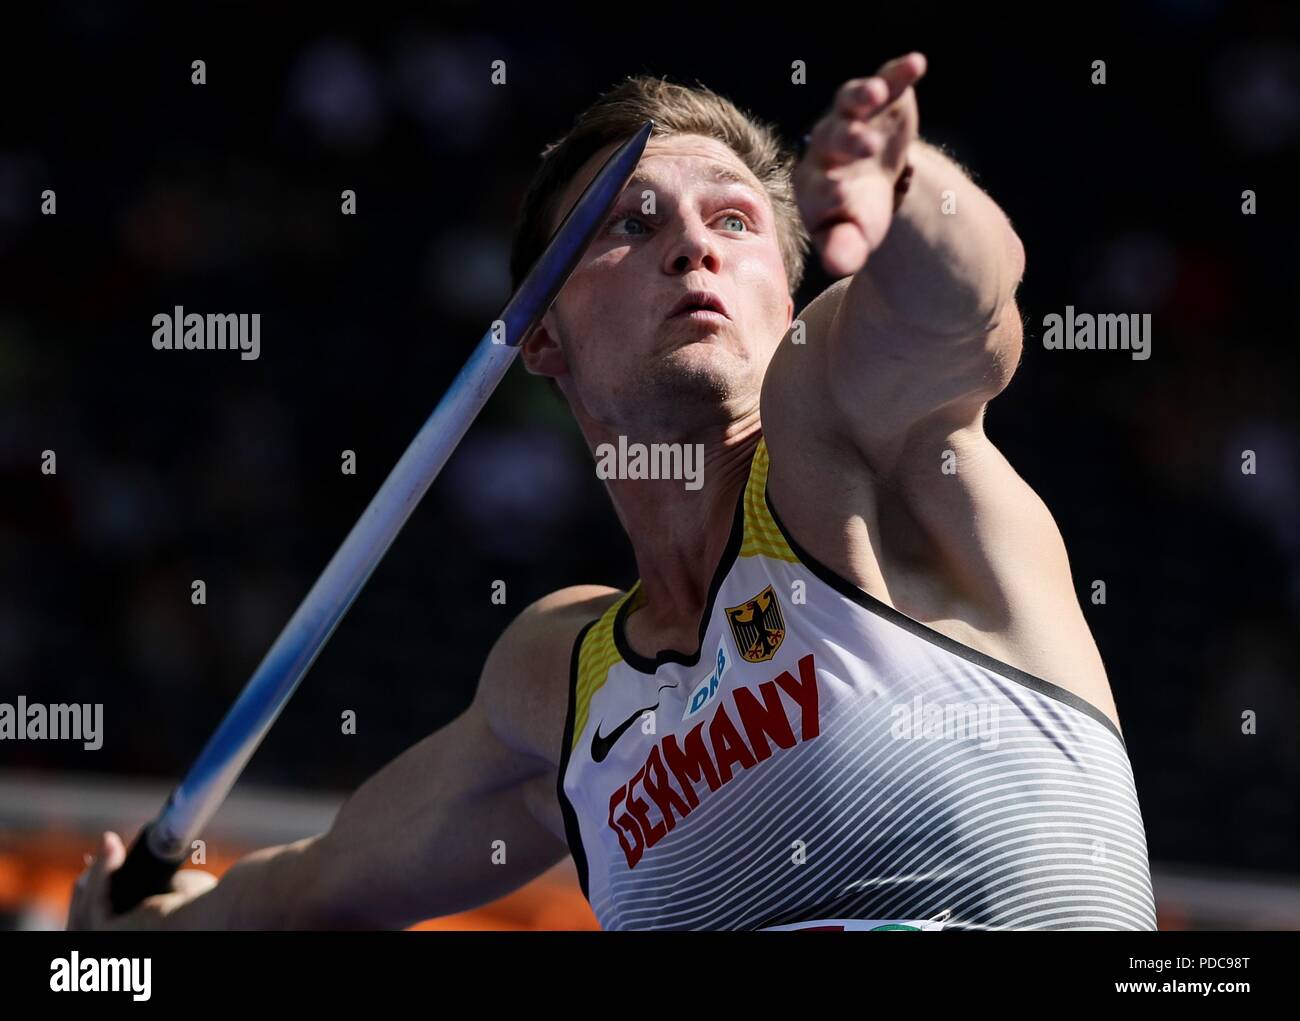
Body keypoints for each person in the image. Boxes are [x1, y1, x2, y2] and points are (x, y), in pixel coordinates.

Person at [70, 52, 1157, 931]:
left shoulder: (863, 451)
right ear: (540, 337)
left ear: (790, 296)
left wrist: (910, 195)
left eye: (734, 222)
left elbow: (963, 308)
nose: (692, 242)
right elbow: (314, 888)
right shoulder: (559, 684)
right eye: (630, 225)